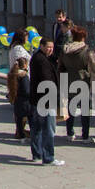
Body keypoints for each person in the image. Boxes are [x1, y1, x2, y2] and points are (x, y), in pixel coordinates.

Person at [28, 36, 63, 166]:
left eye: (52, 48)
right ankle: (48, 157)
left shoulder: (39, 57)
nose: (50, 50)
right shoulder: (41, 61)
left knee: (36, 128)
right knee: (48, 129)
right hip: (45, 100)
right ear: (41, 46)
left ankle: (37, 153)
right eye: (48, 47)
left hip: (37, 99)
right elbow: (47, 79)